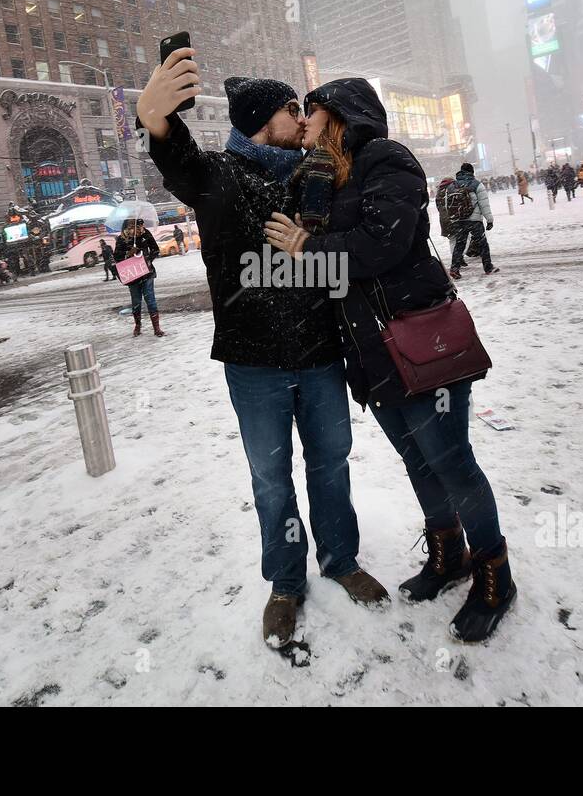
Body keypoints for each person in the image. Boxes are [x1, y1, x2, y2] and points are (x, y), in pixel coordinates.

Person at [137, 48, 387, 650]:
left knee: (331, 462)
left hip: (321, 352)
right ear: (260, 120)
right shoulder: (223, 176)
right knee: (272, 478)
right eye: (290, 110)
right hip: (254, 363)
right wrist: (158, 125)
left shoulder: (317, 174)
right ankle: (284, 582)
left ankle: (340, 559)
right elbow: (185, 165)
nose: (302, 119)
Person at [265, 78, 517, 643]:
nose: (304, 120)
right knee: (419, 463)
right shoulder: (323, 178)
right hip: (370, 352)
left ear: (343, 115)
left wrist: (308, 247)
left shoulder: (386, 161)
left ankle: (494, 575)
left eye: (313, 110)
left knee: (453, 463)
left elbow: (385, 244)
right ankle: (448, 554)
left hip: (417, 342)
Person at [113, 219, 165, 337]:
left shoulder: (145, 234)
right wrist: (128, 254)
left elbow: (155, 249)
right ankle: (138, 325)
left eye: (135, 225)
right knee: (136, 301)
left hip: (147, 273)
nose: (134, 228)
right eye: (130, 226)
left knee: (150, 300)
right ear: (126, 226)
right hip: (133, 274)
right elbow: (116, 256)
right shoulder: (122, 239)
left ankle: (156, 328)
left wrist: (146, 260)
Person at [447, 162, 497, 278]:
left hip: (458, 220)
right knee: (482, 244)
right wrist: (489, 220)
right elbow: (484, 204)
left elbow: (448, 205)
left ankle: (454, 269)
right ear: (472, 172)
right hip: (474, 220)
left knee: (459, 245)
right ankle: (488, 267)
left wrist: (453, 219)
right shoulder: (476, 184)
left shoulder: (452, 186)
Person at [435, 176, 470, 268]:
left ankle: (458, 258)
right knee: (463, 239)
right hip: (454, 218)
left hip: (444, 220)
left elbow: (438, 207)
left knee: (452, 240)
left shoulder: (439, 192)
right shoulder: (453, 189)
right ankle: (458, 258)